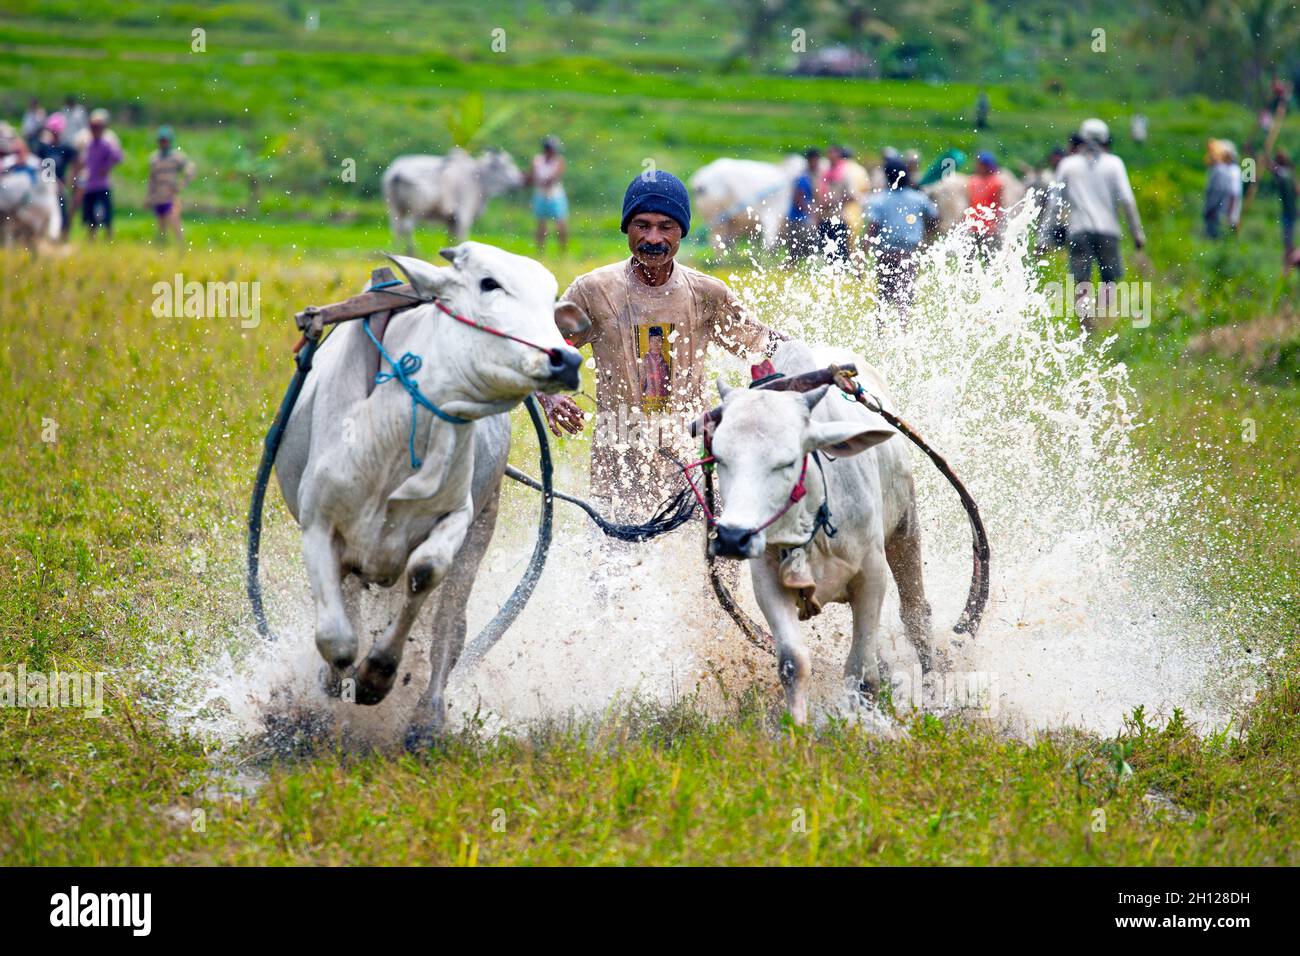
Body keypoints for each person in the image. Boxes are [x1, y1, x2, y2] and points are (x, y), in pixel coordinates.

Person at [536, 170, 785, 519]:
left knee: (713, 563)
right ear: (627, 228)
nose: (653, 238)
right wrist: (548, 395)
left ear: (681, 230)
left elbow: (765, 346)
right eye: (642, 225)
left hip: (692, 458)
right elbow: (539, 350)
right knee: (616, 562)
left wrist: (814, 368)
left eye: (665, 227)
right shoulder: (594, 291)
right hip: (619, 457)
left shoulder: (707, 294)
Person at [1053, 118, 1146, 331]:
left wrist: (1048, 234)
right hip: (1108, 231)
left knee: (1082, 282)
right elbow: (1128, 201)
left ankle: (1086, 327)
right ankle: (1104, 322)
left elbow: (1054, 201)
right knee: (1109, 279)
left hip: (1078, 230)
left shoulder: (1068, 164)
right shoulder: (1114, 163)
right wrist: (1137, 234)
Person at [866, 155, 939, 305]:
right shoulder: (918, 198)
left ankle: (881, 328)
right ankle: (903, 328)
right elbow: (935, 218)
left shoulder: (879, 199)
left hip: (886, 254)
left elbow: (873, 228)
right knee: (904, 297)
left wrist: (864, 250)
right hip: (908, 253)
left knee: (884, 297)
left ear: (887, 176)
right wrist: (928, 237)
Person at [146, 126, 196, 244]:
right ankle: (162, 248)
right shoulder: (154, 158)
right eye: (161, 141)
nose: (163, 143)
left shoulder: (176, 157)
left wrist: (182, 184)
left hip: (171, 196)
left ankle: (181, 247)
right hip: (158, 197)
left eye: (165, 141)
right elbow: (151, 179)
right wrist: (148, 196)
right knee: (161, 226)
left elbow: (190, 168)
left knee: (175, 222)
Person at [79, 109, 122, 240]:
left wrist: (106, 167)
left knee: (107, 216)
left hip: (102, 185)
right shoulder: (89, 143)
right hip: (90, 184)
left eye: (97, 127)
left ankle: (109, 239)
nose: (94, 130)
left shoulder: (106, 143)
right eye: (92, 127)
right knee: (90, 216)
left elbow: (118, 156)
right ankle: (91, 239)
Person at [33, 114, 78, 241]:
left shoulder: (65, 148)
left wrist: (70, 179)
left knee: (63, 208)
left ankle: (63, 235)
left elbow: (76, 162)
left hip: (59, 186)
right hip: (44, 185)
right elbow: (38, 164)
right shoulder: (43, 147)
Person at [527, 135, 568, 254]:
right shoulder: (537, 160)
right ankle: (540, 251)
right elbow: (531, 174)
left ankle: (562, 251)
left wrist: (539, 180)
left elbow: (555, 177)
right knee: (541, 224)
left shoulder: (559, 161)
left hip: (555, 195)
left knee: (560, 224)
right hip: (541, 194)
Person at [783, 147, 820, 260]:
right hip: (798, 219)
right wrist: (811, 213)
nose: (816, 163)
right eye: (814, 160)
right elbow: (798, 199)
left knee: (798, 253)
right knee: (797, 252)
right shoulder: (803, 178)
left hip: (801, 218)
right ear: (809, 160)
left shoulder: (812, 176)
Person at [965, 150, 1004, 255]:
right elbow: (970, 203)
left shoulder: (996, 183)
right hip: (974, 227)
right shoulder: (973, 181)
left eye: (979, 164)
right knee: (968, 259)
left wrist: (996, 223)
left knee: (990, 260)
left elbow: (998, 204)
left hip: (990, 228)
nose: (977, 166)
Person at [1203, 139, 1242, 239]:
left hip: (1223, 211)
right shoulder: (1224, 169)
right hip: (1222, 210)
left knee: (1218, 236)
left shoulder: (1230, 171)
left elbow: (1231, 193)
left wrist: (1211, 208)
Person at [1271, 149, 1298, 270]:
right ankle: (1288, 264)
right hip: (1291, 212)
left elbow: (1274, 169)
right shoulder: (1289, 175)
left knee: (1288, 240)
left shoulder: (1285, 174)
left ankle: (1288, 265)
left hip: (1289, 213)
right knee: (1288, 239)